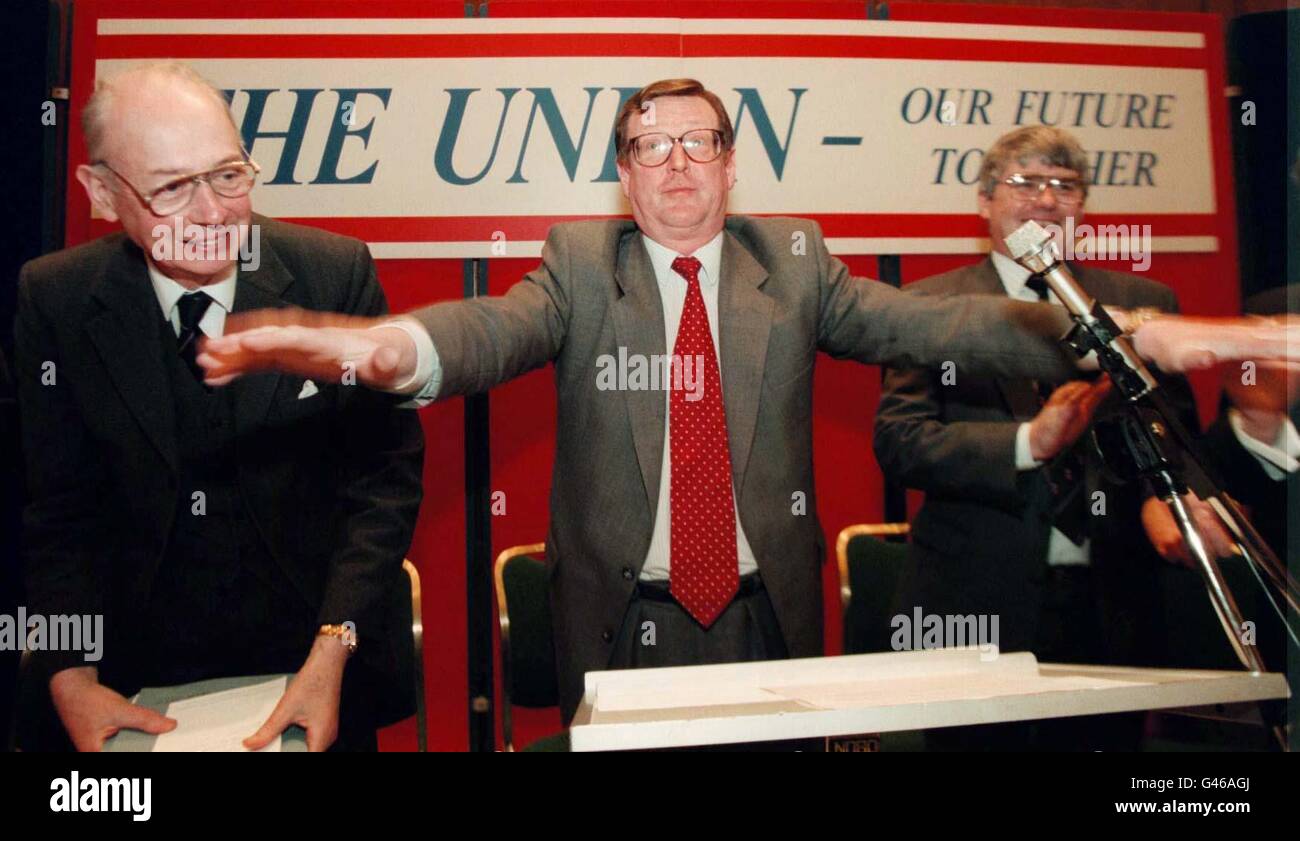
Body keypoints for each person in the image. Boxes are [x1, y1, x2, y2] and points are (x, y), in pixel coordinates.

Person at [201, 78, 1279, 724]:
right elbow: (493, 331)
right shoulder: (583, 263)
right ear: (625, 175)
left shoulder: (794, 261)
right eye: (647, 147)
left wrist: (1143, 332)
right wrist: (385, 349)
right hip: (622, 622)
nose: (673, 165)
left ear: (728, 161)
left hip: (768, 615)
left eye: (695, 142)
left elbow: (937, 326)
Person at [14, 62, 424, 751]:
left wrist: (333, 648)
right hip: (128, 680)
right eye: (172, 188)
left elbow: (383, 484)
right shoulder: (54, 299)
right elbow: (54, 511)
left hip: (316, 664)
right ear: (104, 192)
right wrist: (69, 676)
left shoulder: (334, 272)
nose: (211, 215)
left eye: (228, 176)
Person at [873, 126, 1204, 750]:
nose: (1046, 200)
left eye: (1065, 185)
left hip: (1113, 608)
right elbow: (901, 442)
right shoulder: (929, 306)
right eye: (1024, 183)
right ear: (984, 201)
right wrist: (1030, 442)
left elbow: (1179, 444)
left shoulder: (1141, 307)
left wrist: (1172, 500)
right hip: (973, 608)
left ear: (1083, 205)